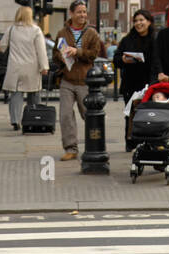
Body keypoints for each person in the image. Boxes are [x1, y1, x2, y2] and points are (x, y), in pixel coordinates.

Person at [53, 0, 102, 161]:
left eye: (84, 12)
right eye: (79, 12)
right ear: (71, 13)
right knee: (65, 115)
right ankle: (71, 148)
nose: (83, 15)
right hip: (67, 79)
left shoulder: (91, 33)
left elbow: (93, 54)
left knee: (88, 115)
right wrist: (62, 55)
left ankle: (94, 144)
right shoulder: (62, 33)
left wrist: (77, 51)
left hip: (85, 80)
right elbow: (55, 55)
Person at [0, 3, 49, 131]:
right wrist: (44, 66)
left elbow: (1, 47)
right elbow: (41, 50)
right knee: (34, 93)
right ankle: (33, 117)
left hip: (15, 67)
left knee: (16, 94)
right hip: (31, 67)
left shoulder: (11, 29)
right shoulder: (36, 30)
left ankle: (15, 120)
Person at [114, 8, 156, 149]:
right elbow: (116, 59)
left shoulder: (155, 39)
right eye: (136, 21)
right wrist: (124, 60)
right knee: (131, 113)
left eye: (141, 20)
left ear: (149, 22)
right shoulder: (127, 40)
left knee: (149, 113)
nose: (138, 23)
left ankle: (149, 141)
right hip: (130, 83)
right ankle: (131, 142)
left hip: (150, 82)